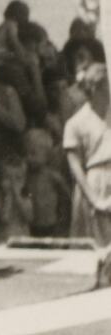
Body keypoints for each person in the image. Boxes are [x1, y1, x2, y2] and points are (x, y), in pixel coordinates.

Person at [64, 62, 111, 287]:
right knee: (102, 246)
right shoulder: (76, 123)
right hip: (97, 181)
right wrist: (94, 198)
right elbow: (75, 167)